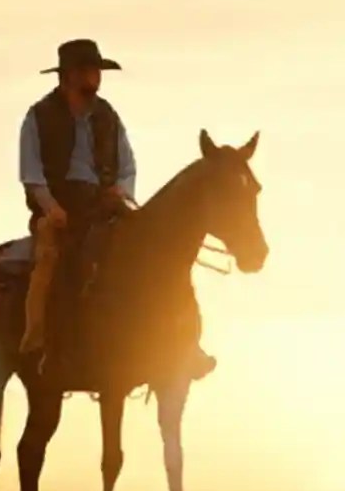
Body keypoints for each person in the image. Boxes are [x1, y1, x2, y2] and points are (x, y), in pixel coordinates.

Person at [17, 38, 215, 379]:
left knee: (159, 254)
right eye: (86, 72)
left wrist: (121, 194)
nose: (93, 79)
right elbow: (31, 173)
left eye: (96, 72)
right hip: (59, 209)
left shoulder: (108, 117)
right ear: (68, 76)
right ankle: (43, 341)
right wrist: (50, 207)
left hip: (104, 205)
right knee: (52, 260)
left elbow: (127, 166)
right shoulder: (39, 116)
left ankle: (181, 343)